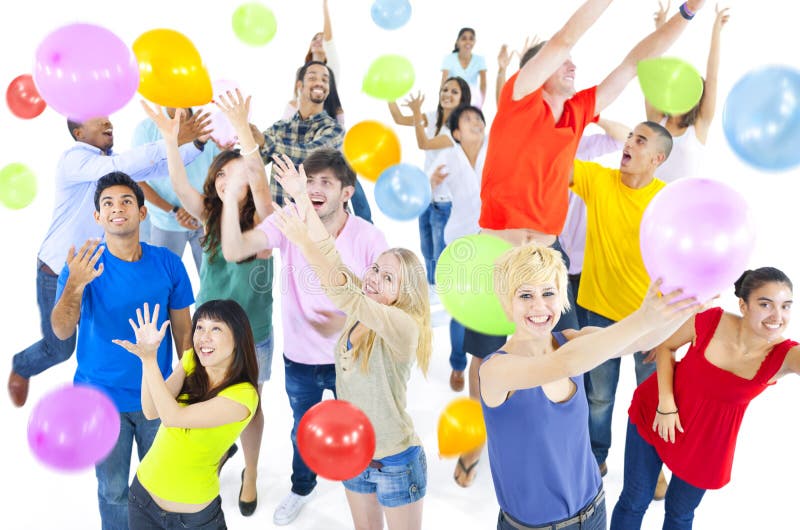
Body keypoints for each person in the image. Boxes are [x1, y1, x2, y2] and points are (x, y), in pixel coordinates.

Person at [479, 243, 702, 530]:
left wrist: (689, 306)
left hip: (594, 511)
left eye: (548, 292)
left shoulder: (572, 339)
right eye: (525, 295)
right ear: (506, 303)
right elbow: (566, 364)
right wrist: (642, 318)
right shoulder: (496, 371)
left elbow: (642, 341)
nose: (539, 306)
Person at [221, 149, 388, 525]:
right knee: (302, 430)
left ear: (347, 192)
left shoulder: (369, 237)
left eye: (325, 182)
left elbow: (389, 300)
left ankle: (363, 489)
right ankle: (302, 486)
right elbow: (233, 250)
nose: (314, 189)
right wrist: (231, 200)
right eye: (308, 181)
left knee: (360, 424)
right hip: (300, 359)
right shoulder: (289, 221)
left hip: (353, 355)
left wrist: (351, 324)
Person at [269, 158, 432, 530]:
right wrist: (300, 196)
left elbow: (342, 292)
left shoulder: (402, 325)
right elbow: (331, 257)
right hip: (356, 454)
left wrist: (301, 239)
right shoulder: (367, 305)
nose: (373, 278)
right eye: (375, 269)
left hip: (395, 459)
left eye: (387, 278)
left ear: (404, 292)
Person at [7, 110, 209, 408]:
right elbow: (123, 165)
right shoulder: (75, 159)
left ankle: (129, 396)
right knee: (61, 348)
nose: (107, 122)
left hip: (100, 266)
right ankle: (22, 365)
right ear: (78, 133)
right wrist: (172, 138)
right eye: (96, 120)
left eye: (108, 118)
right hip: (58, 268)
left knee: (108, 326)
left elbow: (159, 168)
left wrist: (198, 145)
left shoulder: (112, 163)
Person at [142, 91, 275, 517]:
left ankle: (250, 471)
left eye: (234, 177)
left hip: (254, 335)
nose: (225, 182)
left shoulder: (264, 220)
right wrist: (169, 140)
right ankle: (216, 452)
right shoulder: (210, 216)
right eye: (220, 177)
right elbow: (180, 184)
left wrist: (241, 133)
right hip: (210, 333)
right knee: (202, 393)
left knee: (249, 403)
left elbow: (258, 181)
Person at [480, 0, 706, 248]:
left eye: (571, 60)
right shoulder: (519, 95)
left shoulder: (577, 111)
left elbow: (633, 65)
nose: (573, 66)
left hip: (546, 255)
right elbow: (564, 39)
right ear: (539, 69)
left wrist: (688, 12)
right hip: (499, 249)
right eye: (563, 61)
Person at [50, 172, 195, 529]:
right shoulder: (81, 266)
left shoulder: (168, 264)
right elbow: (61, 330)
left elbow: (184, 334)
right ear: (97, 217)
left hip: (156, 398)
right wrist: (75, 286)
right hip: (101, 401)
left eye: (127, 201)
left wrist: (192, 388)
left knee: (162, 486)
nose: (118, 209)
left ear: (142, 213)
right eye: (108, 204)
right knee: (113, 490)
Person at [611, 267, 799, 529]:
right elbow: (667, 346)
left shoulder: (786, 355)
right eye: (765, 304)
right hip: (655, 415)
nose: (777, 316)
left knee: (680, 513)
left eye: (786, 306)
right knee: (635, 500)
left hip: (706, 444)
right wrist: (666, 405)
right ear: (743, 305)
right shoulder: (711, 320)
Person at [570, 121, 673, 495]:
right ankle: (596, 456)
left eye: (639, 140)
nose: (628, 142)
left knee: (649, 401)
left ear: (657, 159)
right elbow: (553, 160)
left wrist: (665, 330)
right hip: (597, 314)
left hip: (650, 324)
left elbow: (684, 262)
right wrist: (581, 113)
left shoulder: (668, 201)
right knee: (598, 397)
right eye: (629, 136)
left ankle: (652, 466)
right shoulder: (598, 180)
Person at [114, 300, 259, 530]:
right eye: (199, 327)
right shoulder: (192, 361)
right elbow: (151, 411)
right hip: (142, 500)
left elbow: (173, 418)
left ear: (238, 338)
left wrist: (151, 360)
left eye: (216, 329)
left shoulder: (244, 396)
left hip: (194, 520)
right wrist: (145, 359)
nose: (204, 337)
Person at [387, 77, 471, 296]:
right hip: (426, 197)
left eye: (454, 92)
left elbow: (423, 143)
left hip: (444, 203)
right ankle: (433, 300)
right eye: (445, 89)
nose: (447, 94)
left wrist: (416, 114)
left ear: (462, 99)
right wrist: (389, 93)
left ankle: (444, 300)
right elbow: (398, 118)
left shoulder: (458, 130)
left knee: (440, 257)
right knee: (427, 253)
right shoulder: (433, 117)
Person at [132, 106, 222, 271]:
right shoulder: (146, 129)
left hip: (207, 218)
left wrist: (201, 208)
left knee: (213, 280)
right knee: (163, 282)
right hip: (165, 222)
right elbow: (138, 180)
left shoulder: (208, 124)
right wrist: (174, 210)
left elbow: (221, 173)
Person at [649, 2, 729, 183]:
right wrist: (660, 28)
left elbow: (712, 77)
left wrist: (716, 29)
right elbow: (655, 71)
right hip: (646, 204)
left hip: (680, 207)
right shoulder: (657, 119)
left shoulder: (699, 125)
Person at [441, 27, 488, 108]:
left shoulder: (480, 60)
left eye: (471, 38)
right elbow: (443, 82)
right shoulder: (449, 58)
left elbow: (483, 84)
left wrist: (480, 104)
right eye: (464, 38)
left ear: (474, 42)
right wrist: (443, 102)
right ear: (457, 42)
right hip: (452, 98)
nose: (468, 41)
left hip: (472, 100)